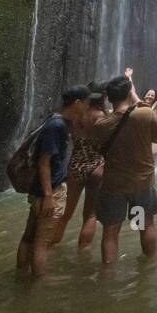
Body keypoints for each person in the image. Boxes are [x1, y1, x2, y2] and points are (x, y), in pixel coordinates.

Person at [89, 67, 157, 264]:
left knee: (110, 232)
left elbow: (96, 147)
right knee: (143, 225)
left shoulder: (101, 124)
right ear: (129, 94)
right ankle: (146, 268)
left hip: (114, 186)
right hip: (141, 185)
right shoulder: (145, 114)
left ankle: (108, 276)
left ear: (109, 98)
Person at [17, 85, 100, 277]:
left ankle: (21, 276)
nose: (89, 106)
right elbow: (44, 162)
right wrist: (48, 195)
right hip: (49, 190)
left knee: (29, 237)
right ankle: (39, 286)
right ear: (78, 103)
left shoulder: (56, 121)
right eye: (87, 102)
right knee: (41, 242)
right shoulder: (57, 126)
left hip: (41, 189)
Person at [50, 82, 108, 248]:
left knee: (66, 213)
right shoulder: (102, 117)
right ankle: (83, 254)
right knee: (90, 215)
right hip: (97, 166)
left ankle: (51, 246)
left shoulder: (75, 116)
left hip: (76, 166)